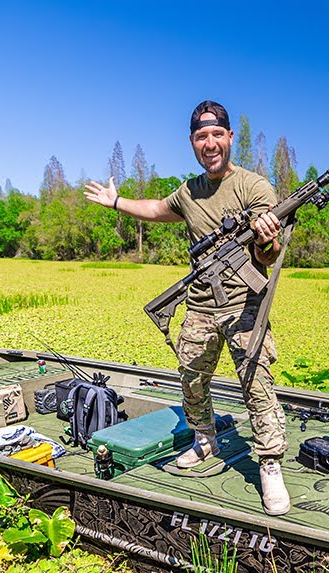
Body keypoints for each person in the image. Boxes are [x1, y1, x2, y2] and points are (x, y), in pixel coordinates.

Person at [83, 100, 290, 515]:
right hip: (199, 306)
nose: (210, 143)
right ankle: (204, 440)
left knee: (257, 382)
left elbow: (268, 258)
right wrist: (117, 201)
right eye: (201, 136)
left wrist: (267, 237)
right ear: (193, 142)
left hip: (243, 306)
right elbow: (158, 209)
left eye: (217, 135)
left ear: (230, 137)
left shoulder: (254, 187)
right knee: (191, 379)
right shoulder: (189, 191)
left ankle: (269, 463)